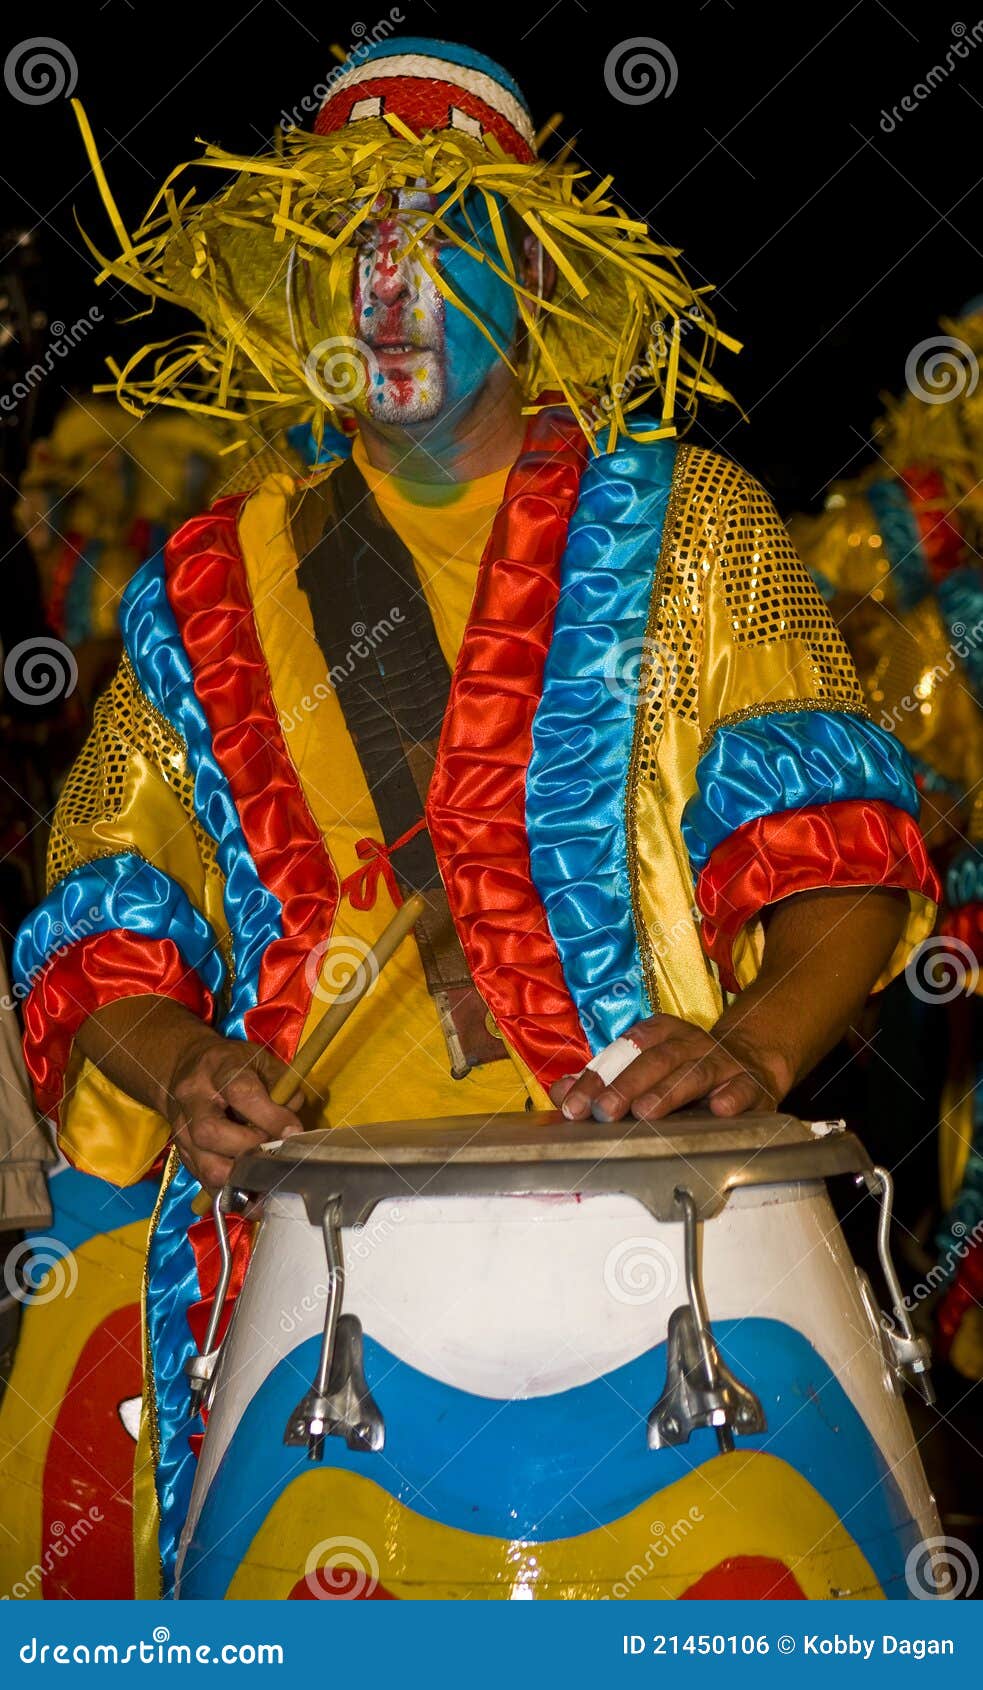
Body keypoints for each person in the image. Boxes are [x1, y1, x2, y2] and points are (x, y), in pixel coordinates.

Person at [16, 37, 938, 1592]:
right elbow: (98, 915)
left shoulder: (693, 520)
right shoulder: (201, 587)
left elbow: (849, 844)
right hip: (312, 1270)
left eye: (435, 233)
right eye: (342, 247)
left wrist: (763, 1042)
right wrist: (185, 1064)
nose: (383, 288)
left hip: (683, 1234)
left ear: (532, 263)